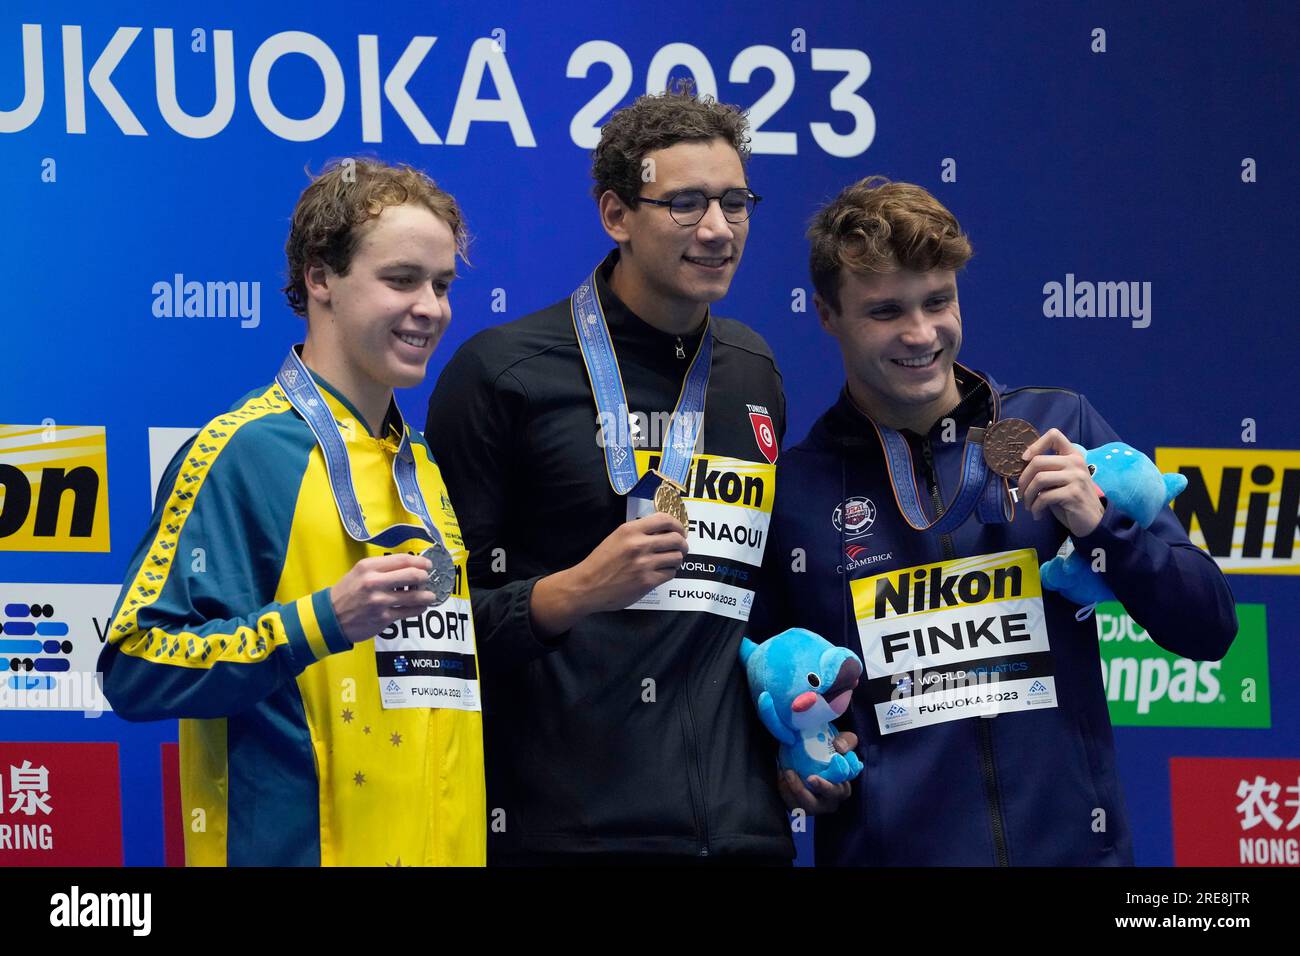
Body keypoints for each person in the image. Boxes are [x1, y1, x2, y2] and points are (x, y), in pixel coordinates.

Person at [750, 176, 1238, 865]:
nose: (921, 334)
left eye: (938, 301)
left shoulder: (1059, 427)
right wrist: (789, 771)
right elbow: (760, 695)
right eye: (886, 311)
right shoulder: (798, 491)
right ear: (827, 315)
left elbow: (1209, 626)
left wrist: (1103, 529)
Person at [425, 83, 795, 863]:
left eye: (737, 202)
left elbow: (757, 604)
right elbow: (434, 626)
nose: (719, 229)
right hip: (568, 837)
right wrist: (572, 593)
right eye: (687, 203)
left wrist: (795, 740)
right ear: (616, 215)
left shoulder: (752, 370)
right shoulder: (503, 374)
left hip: (740, 836)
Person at [98, 158, 486, 866]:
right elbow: (135, 665)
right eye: (401, 279)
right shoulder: (243, 452)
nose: (431, 307)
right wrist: (320, 620)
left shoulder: (420, 466)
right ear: (320, 279)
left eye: (442, 284)